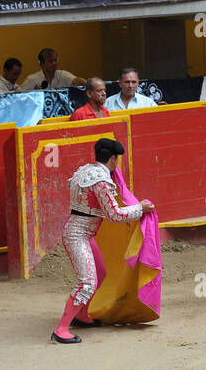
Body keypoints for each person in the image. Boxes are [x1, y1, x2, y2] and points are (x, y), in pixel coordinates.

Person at [52, 137, 151, 344]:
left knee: (100, 273)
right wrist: (140, 209)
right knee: (87, 282)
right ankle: (61, 330)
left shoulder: (85, 170)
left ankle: (82, 315)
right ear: (114, 159)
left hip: (82, 233)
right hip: (78, 236)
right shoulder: (101, 180)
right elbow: (114, 215)